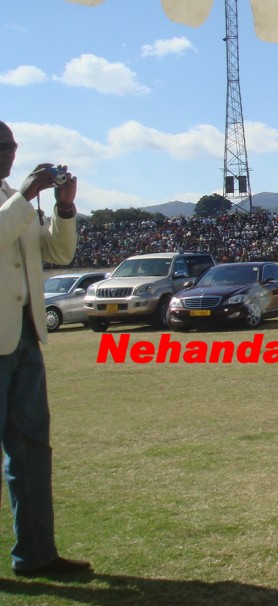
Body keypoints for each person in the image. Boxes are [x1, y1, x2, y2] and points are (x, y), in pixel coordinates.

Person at [0, 122, 90, 577]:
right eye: (3, 146)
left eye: (12, 146)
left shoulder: (13, 198)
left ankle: (36, 554)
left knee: (32, 449)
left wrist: (64, 207)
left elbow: (58, 252)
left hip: (24, 334)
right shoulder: (15, 199)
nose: (10, 153)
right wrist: (25, 195)